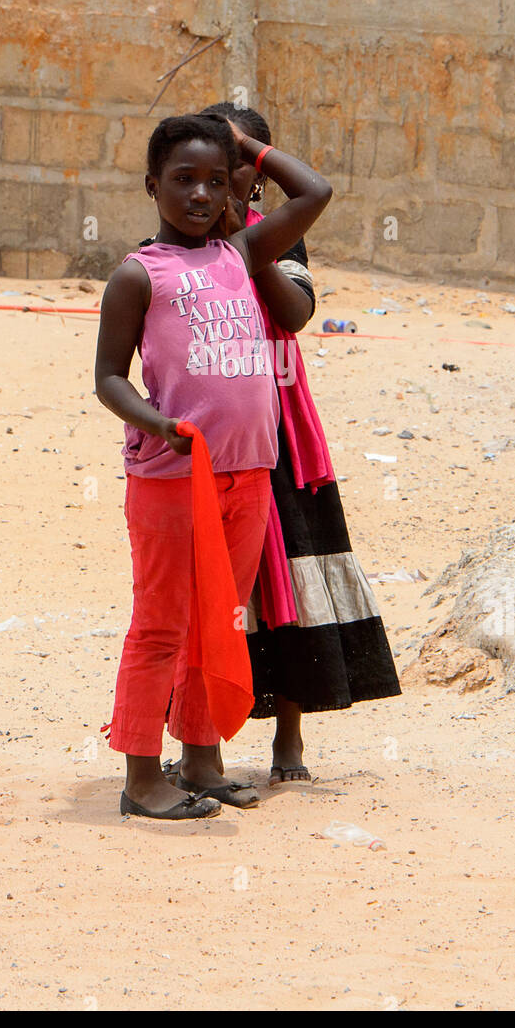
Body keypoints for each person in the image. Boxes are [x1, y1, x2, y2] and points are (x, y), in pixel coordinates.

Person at [94, 112, 332, 819]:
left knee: (218, 622)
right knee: (161, 624)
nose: (199, 195)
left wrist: (246, 147)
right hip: (172, 478)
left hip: (249, 474)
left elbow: (313, 192)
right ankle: (141, 775)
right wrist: (155, 423)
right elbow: (108, 378)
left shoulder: (240, 253)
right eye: (182, 180)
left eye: (213, 181)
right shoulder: (139, 275)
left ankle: (201, 758)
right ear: (151, 187)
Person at [200, 102, 402, 786]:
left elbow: (294, 313)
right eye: (196, 173)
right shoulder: (182, 240)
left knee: (290, 579)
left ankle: (289, 735)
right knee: (219, 587)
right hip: (211, 433)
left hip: (280, 434)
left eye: (228, 171)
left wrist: (249, 246)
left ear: (253, 177)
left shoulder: (274, 234)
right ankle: (207, 742)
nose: (210, 190)